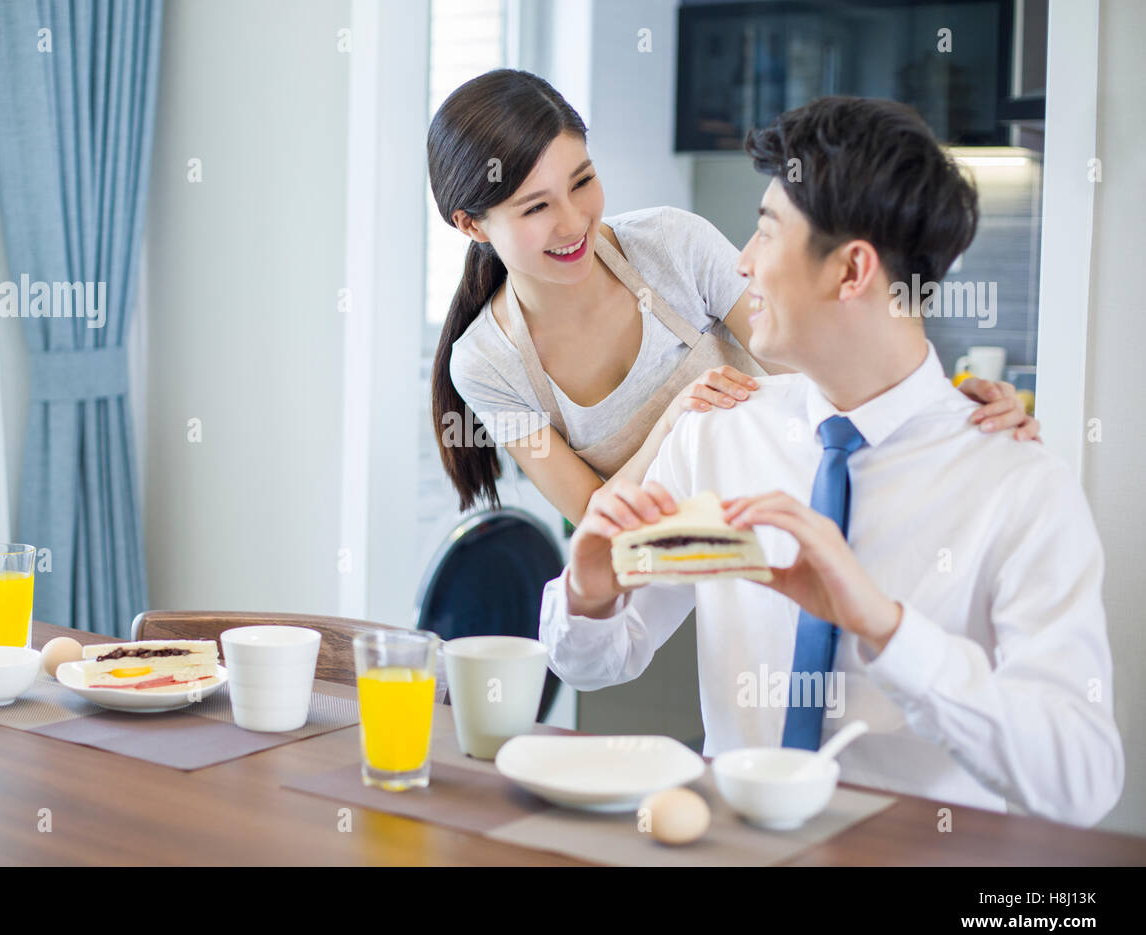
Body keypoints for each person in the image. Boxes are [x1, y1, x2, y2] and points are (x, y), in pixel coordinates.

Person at [539, 96, 1124, 827]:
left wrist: (886, 628)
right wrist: (590, 595)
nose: (743, 262)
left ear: (852, 272)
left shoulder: (1017, 484)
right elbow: (596, 662)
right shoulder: (719, 432)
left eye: (764, 232)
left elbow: (1083, 781)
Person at [427, 69, 1039, 525]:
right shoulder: (485, 363)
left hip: (793, 509)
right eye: (536, 207)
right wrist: (675, 418)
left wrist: (944, 408)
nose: (574, 221)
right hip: (663, 563)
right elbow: (593, 514)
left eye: (582, 181)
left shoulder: (671, 244)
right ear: (472, 224)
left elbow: (819, 361)